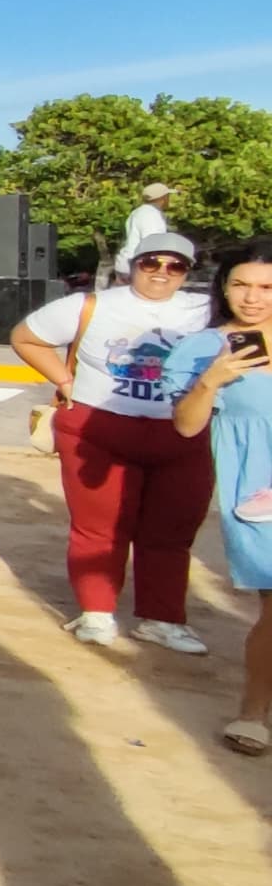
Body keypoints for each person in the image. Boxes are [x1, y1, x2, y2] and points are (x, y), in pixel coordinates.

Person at [11, 232, 215, 652]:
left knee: (172, 531)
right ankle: (97, 613)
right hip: (100, 428)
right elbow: (25, 337)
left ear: (187, 272)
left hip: (179, 431)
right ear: (133, 264)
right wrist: (63, 379)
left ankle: (162, 619)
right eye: (151, 263)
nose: (161, 273)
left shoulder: (205, 309)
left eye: (175, 265)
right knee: (98, 528)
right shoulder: (91, 304)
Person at [165, 247, 272, 755]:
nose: (252, 298)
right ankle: (254, 713)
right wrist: (211, 379)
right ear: (223, 287)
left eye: (266, 287)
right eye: (241, 285)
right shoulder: (202, 348)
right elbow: (187, 426)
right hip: (259, 491)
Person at [117, 182, 173, 280]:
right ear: (163, 198)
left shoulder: (140, 211)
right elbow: (152, 243)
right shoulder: (150, 215)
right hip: (138, 268)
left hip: (129, 265)